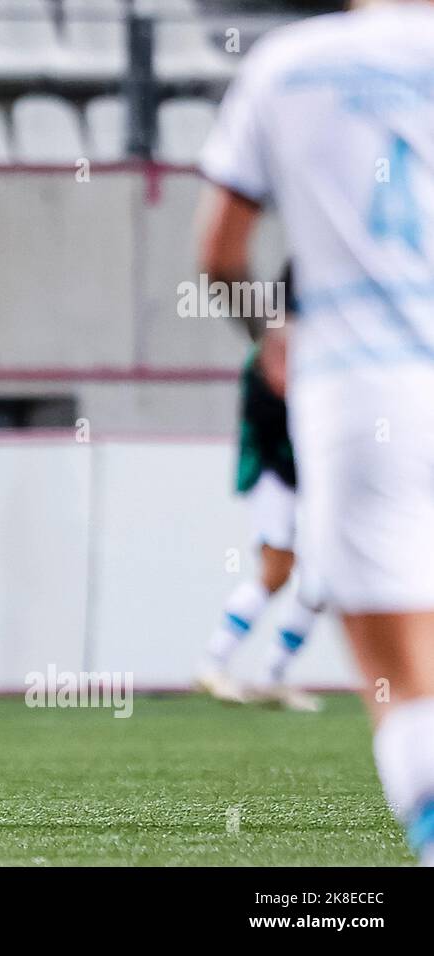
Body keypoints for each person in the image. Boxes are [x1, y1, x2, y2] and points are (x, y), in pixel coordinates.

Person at [198, 0, 434, 862]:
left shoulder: (286, 63)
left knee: (409, 687)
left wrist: (274, 339)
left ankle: (240, 665)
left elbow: (220, 256)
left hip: (366, 397)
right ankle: (245, 668)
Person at [198, 264, 322, 711]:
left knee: (319, 579)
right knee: (275, 570)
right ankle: (214, 664)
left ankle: (272, 674)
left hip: (295, 473)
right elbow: (274, 424)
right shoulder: (277, 347)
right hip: (274, 472)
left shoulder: (305, 347)